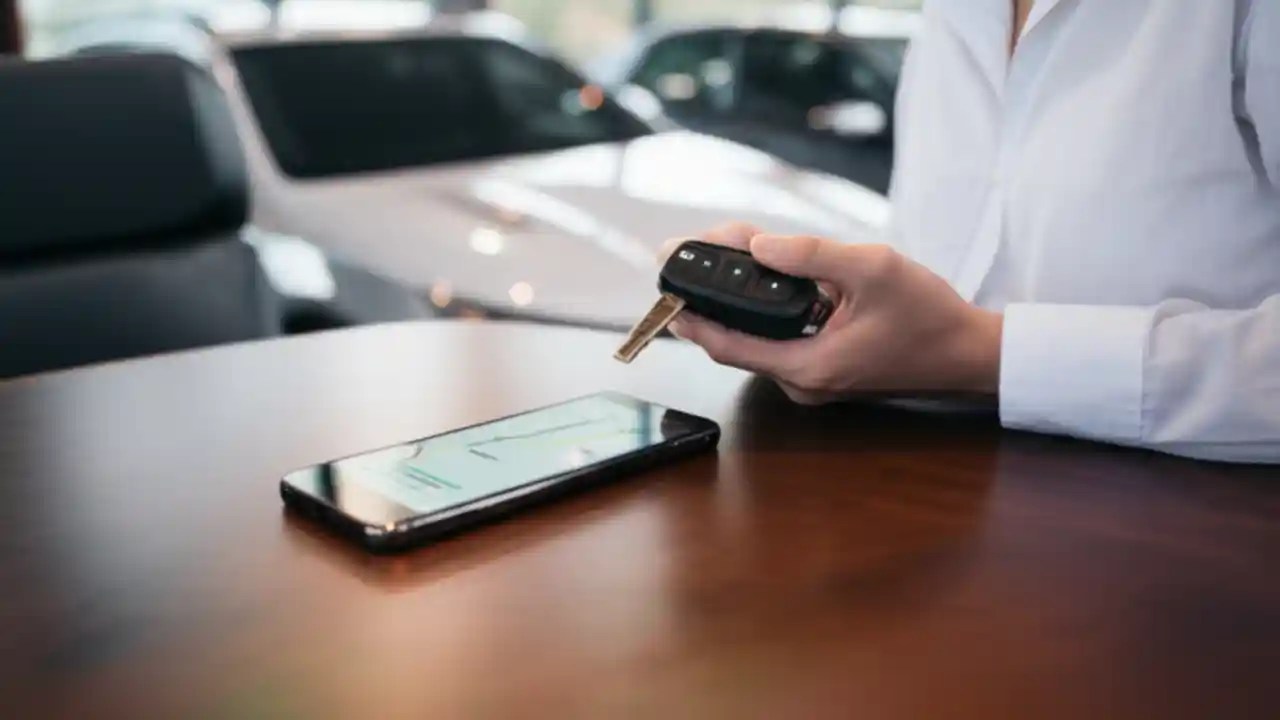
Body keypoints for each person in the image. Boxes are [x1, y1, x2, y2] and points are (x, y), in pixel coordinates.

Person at [666, 0, 1280, 464]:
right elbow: (944, 267)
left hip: (1200, 566)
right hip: (930, 532)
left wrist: (987, 357)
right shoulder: (953, 14)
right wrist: (841, 322)